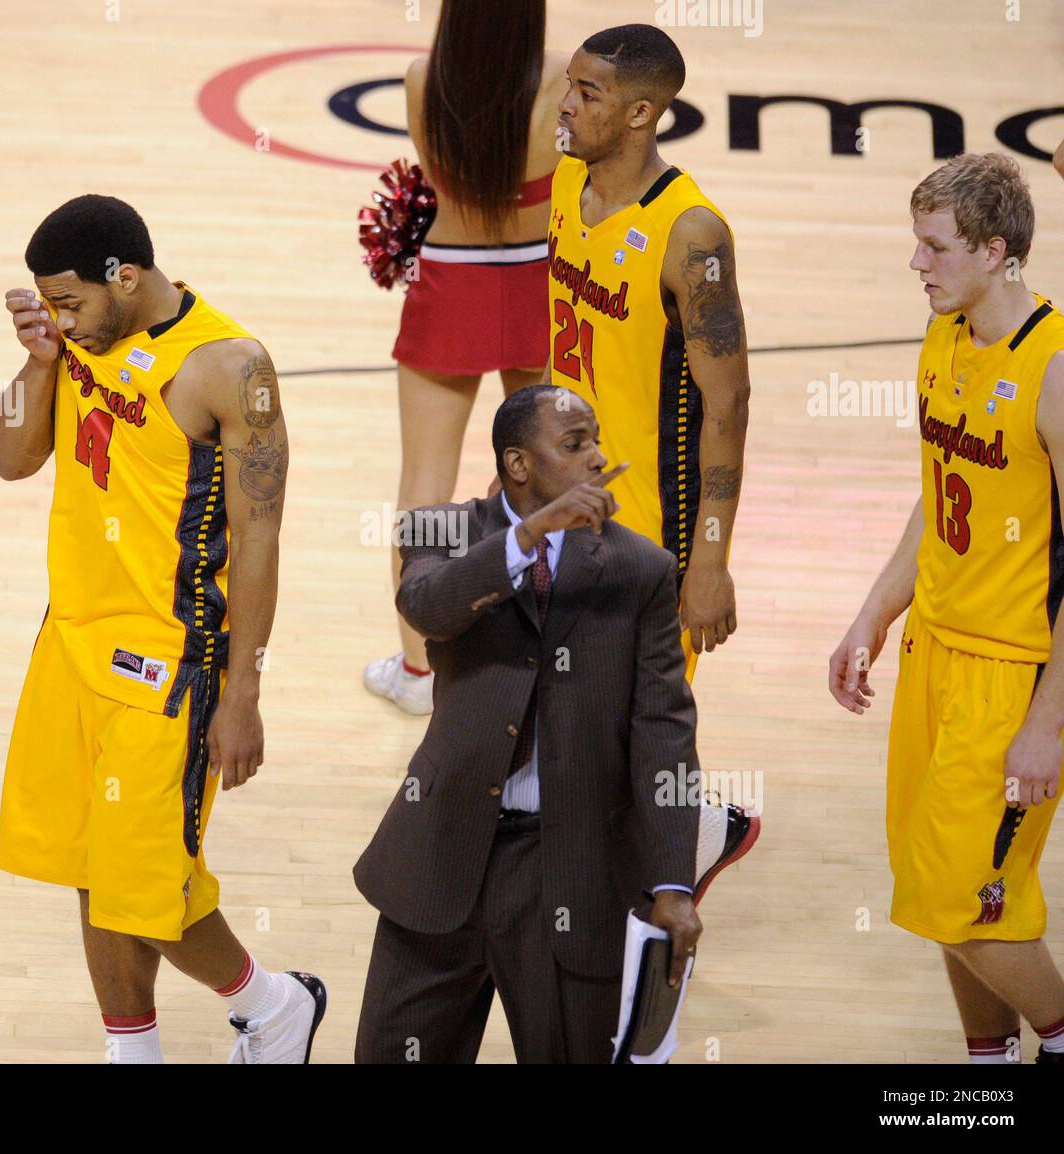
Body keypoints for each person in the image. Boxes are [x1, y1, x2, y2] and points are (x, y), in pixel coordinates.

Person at [0, 195, 324, 1064]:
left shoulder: (229, 366)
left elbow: (260, 539)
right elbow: (12, 459)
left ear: (126, 278)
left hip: (172, 663)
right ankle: (132, 1048)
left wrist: (243, 695)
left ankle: (273, 1003)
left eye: (69, 303)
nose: (59, 318)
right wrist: (35, 360)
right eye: (48, 305)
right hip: (68, 638)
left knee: (146, 888)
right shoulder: (75, 341)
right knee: (87, 865)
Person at [354, 385, 705, 1063]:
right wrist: (531, 535)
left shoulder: (643, 570)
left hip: (571, 867)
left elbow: (664, 732)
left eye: (596, 440)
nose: (598, 458)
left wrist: (672, 882)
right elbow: (429, 607)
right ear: (518, 464)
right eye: (575, 445)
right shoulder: (439, 529)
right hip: (442, 850)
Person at [829, 154, 1064, 1065]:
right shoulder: (948, 334)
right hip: (936, 650)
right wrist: (874, 614)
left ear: (996, 251)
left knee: (956, 895)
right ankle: (987, 1070)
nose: (915, 265)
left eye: (933, 247)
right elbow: (939, 497)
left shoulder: (1051, 369)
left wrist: (1049, 723)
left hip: (1012, 675)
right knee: (941, 894)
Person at [364, 0, 569, 716]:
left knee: (425, 479)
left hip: (452, 274)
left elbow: (438, 179)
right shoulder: (565, 78)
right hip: (540, 281)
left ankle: (420, 670)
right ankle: (543, 653)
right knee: (545, 476)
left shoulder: (424, 79)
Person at [544, 23, 751, 684]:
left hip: (647, 532)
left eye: (587, 92)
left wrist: (710, 561)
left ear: (641, 112)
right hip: (563, 500)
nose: (566, 105)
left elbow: (728, 403)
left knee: (625, 740)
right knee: (558, 733)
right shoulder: (566, 179)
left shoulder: (691, 234)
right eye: (569, 86)